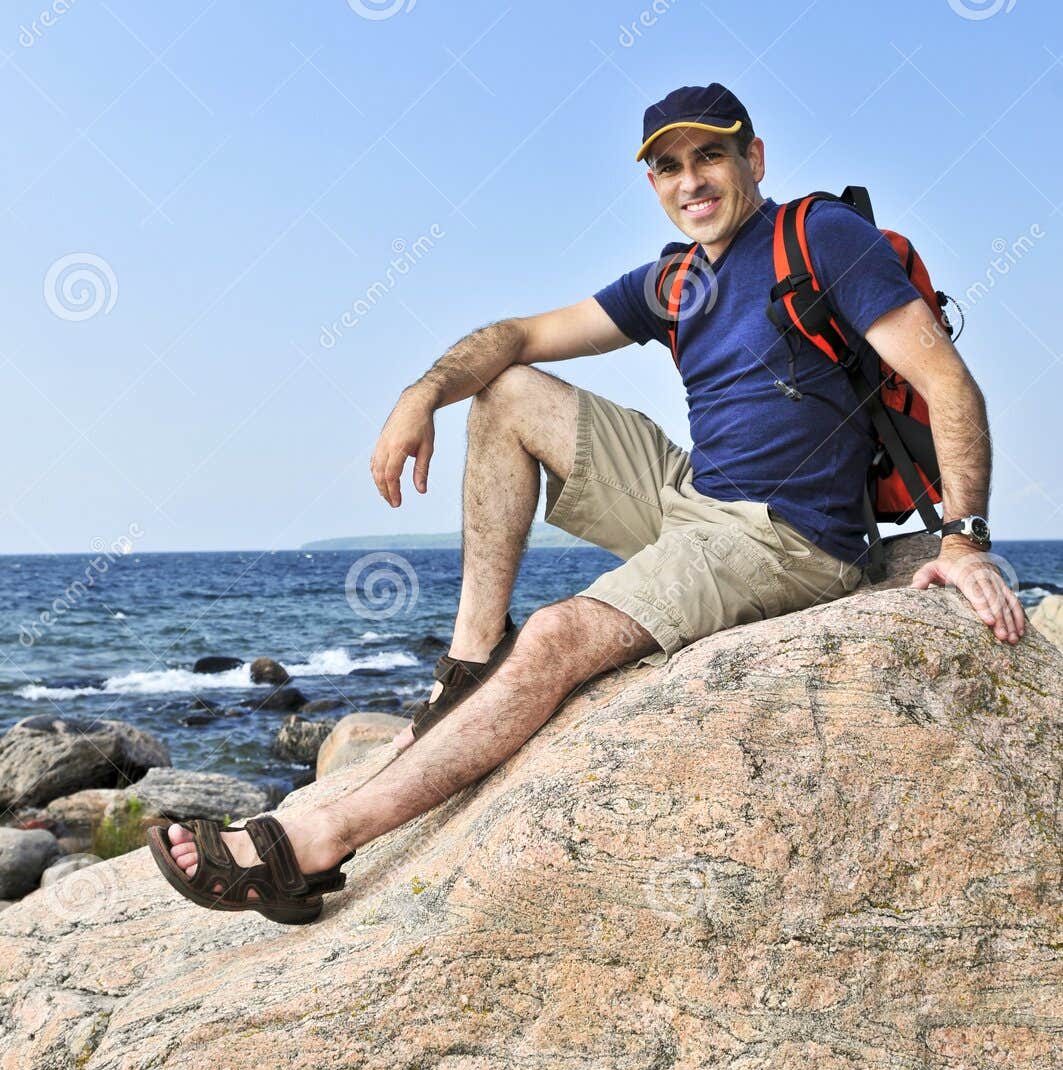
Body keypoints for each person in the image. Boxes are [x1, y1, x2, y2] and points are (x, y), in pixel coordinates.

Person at [149, 83, 1025, 922]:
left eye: (709, 157)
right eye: (668, 166)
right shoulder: (674, 281)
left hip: (786, 536)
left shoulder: (819, 236)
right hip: (694, 497)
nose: (691, 182)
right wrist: (419, 396)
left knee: (562, 634)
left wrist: (963, 543)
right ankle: (467, 664)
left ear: (752, 157)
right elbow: (519, 336)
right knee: (505, 391)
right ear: (652, 183)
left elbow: (945, 380)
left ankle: (314, 840)